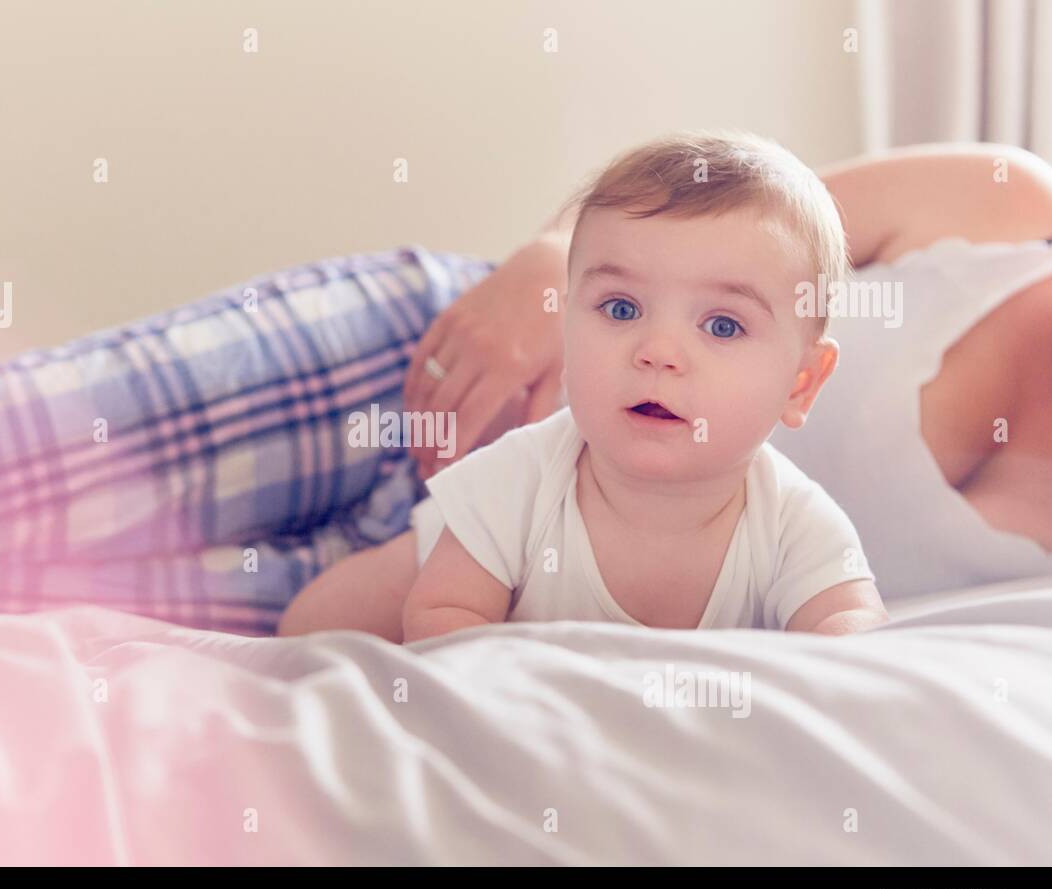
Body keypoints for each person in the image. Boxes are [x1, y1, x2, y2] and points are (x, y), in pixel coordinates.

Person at [279, 140, 1052, 640]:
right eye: (626, 315)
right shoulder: (1007, 203)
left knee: (199, 636)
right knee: (310, 624)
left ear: (806, 381)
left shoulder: (792, 522)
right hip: (450, 363)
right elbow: (706, 206)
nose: (662, 352)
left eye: (723, 328)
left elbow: (847, 628)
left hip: (520, 578)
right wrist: (553, 269)